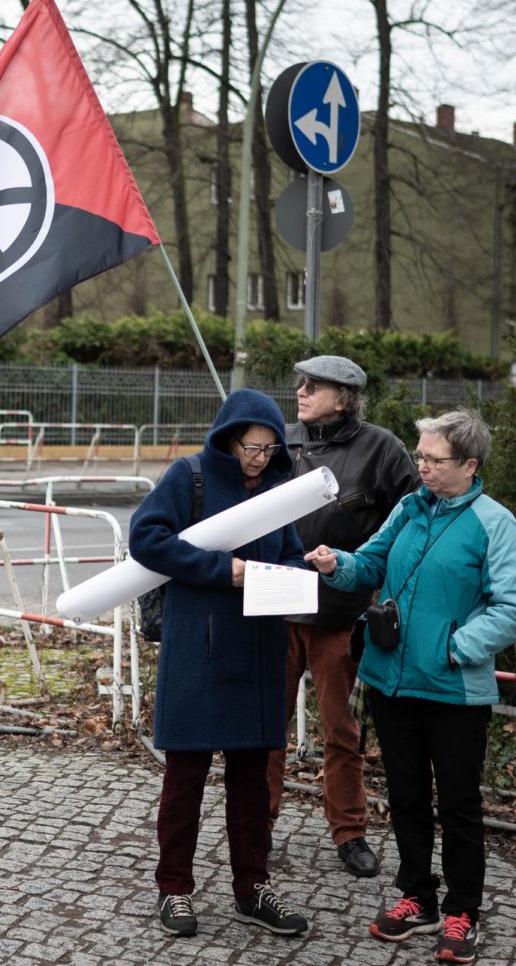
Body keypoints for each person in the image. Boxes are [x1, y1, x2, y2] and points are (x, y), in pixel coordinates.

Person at [303, 409, 516, 965]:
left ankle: (462, 912)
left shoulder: (494, 523)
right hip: (390, 680)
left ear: (470, 465)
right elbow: (370, 566)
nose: (422, 467)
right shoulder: (408, 507)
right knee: (405, 798)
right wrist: (338, 564)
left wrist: (454, 648)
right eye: (420, 456)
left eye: (434, 459)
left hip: (454, 690)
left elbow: (515, 608)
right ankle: (416, 898)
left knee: (458, 805)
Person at [129, 388, 310, 940]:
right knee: (185, 778)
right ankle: (174, 890)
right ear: (230, 438)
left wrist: (307, 565)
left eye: (270, 448)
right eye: (253, 447)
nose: (260, 457)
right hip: (197, 653)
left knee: (252, 782)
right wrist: (220, 570)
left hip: (257, 652)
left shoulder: (278, 488)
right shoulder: (190, 477)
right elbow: (146, 539)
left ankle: (252, 888)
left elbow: (290, 552)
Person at [268, 355, 419, 878]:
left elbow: (413, 520)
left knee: (342, 731)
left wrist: (387, 586)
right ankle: (255, 823)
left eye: (314, 385)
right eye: (300, 382)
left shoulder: (382, 449)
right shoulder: (279, 440)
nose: (301, 391)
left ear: (345, 396)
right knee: (266, 724)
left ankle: (350, 832)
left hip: (341, 615)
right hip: (275, 608)